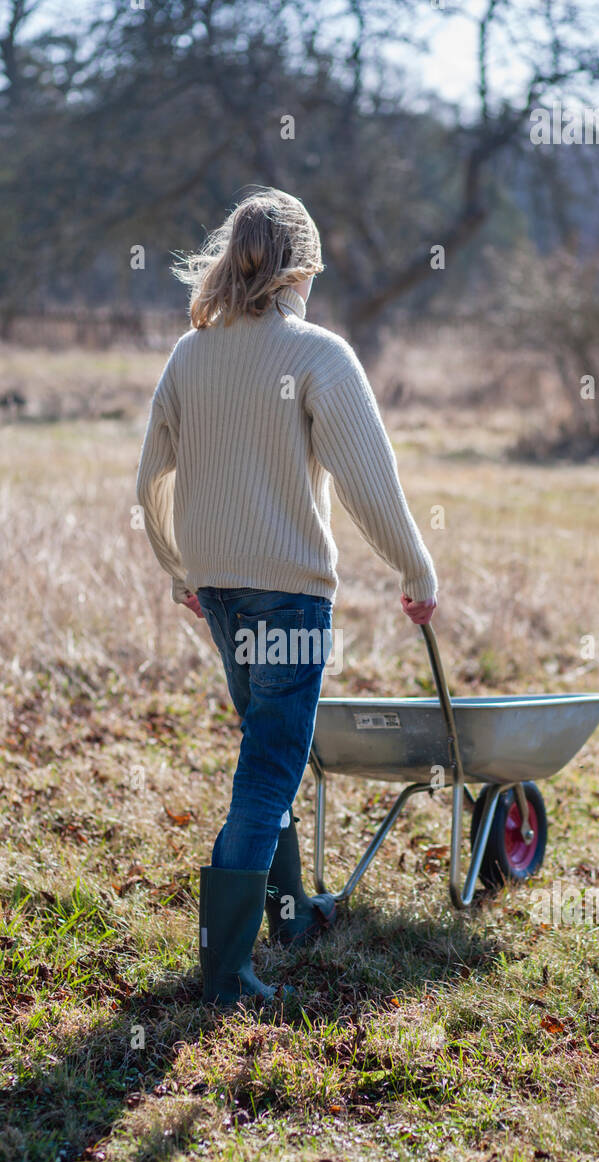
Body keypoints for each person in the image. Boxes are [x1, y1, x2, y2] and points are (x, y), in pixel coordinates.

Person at [136, 187, 437, 1004]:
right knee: (271, 764)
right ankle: (225, 971)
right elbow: (370, 482)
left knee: (267, 746)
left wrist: (179, 570)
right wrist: (418, 572)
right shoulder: (317, 353)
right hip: (289, 599)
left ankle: (289, 913)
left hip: (221, 590)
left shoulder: (188, 354)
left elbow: (150, 476)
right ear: (299, 269)